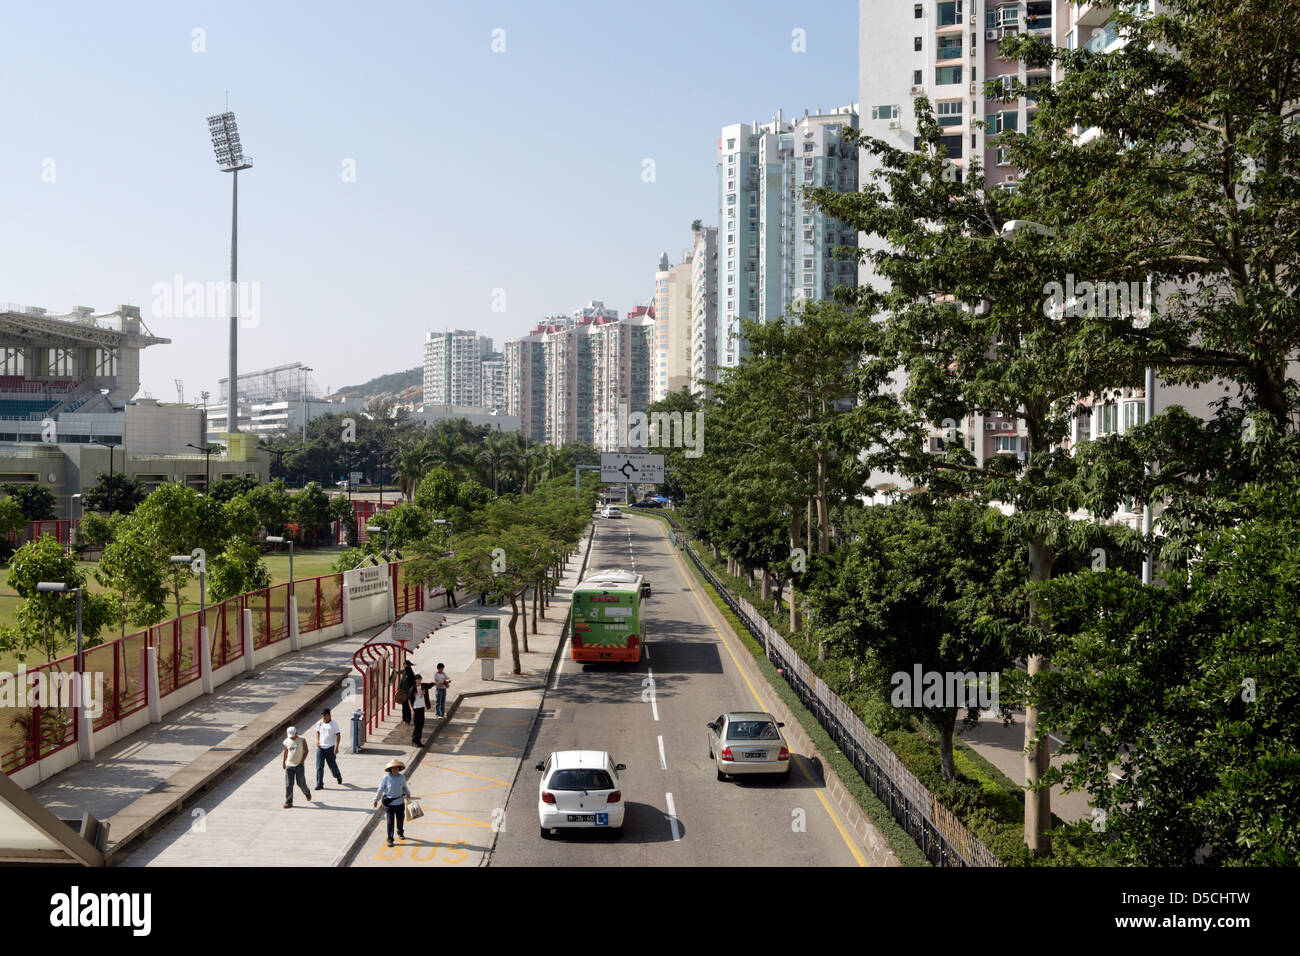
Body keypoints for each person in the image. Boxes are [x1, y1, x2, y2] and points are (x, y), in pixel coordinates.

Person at [373, 758, 410, 846]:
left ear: (399, 768)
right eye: (393, 768)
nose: (395, 769)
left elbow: (404, 787)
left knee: (400, 819)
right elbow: (380, 789)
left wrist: (408, 794)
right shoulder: (386, 778)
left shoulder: (401, 777)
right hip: (389, 804)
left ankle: (400, 832)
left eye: (396, 768)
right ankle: (390, 839)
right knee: (390, 822)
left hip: (400, 803)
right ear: (390, 769)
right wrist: (376, 799)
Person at [314, 708, 344, 789]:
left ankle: (338, 776)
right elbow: (317, 732)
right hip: (321, 748)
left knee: (332, 766)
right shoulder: (320, 723)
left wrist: (336, 747)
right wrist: (317, 740)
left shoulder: (334, 724)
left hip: (330, 748)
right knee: (319, 766)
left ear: (329, 715)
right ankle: (319, 783)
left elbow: (338, 735)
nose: (324, 717)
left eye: (325, 715)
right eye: (323, 716)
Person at [282, 726, 312, 808]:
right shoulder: (286, 741)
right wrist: (284, 762)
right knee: (289, 784)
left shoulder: (302, 740)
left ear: (296, 733)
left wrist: (302, 761)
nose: (291, 738)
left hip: (299, 765)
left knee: (301, 783)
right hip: (289, 765)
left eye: (293, 736)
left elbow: (306, 750)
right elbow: (286, 752)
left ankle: (307, 792)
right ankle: (289, 801)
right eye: (290, 736)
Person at [410, 673, 432, 745]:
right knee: (417, 725)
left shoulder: (423, 686)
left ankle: (418, 740)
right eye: (417, 679)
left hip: (422, 708)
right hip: (416, 708)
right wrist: (412, 710)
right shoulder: (413, 688)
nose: (418, 681)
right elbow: (409, 700)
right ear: (415, 680)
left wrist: (443, 682)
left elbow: (431, 684)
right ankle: (415, 740)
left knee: (421, 725)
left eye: (419, 679)